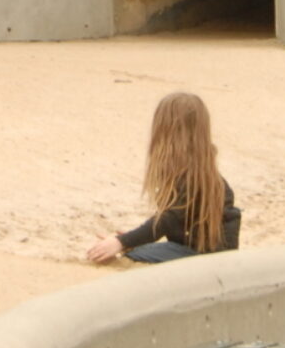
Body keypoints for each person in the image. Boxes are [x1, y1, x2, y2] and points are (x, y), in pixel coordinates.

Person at [84, 92, 242, 264]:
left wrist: (121, 242)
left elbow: (165, 222)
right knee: (140, 249)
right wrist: (132, 240)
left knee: (132, 256)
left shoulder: (194, 179)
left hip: (208, 259)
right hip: (192, 250)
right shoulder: (188, 173)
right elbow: (170, 225)